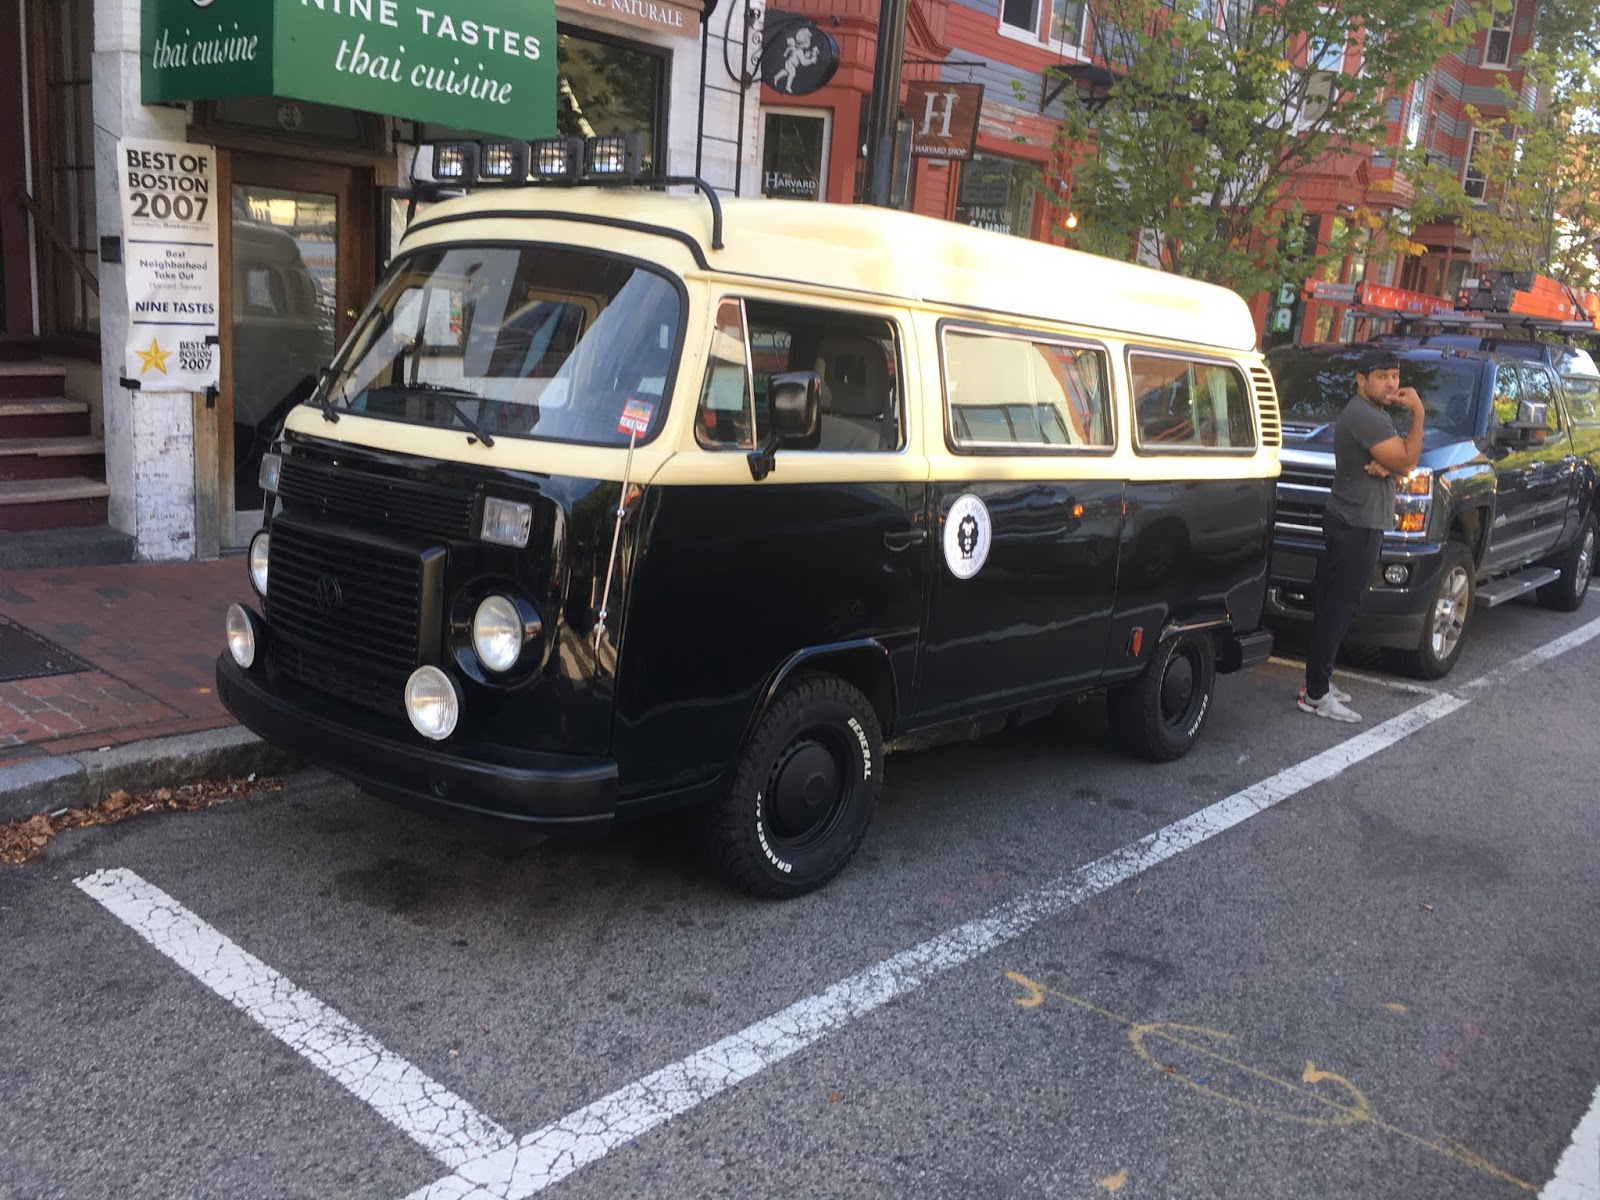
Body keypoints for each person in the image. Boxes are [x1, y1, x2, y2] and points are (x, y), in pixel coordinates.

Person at [1298, 348, 1425, 722]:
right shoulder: (1366, 416)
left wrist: (1392, 467)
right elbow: (1407, 460)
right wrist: (1418, 413)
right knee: (1339, 609)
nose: (1391, 383)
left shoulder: (1375, 416)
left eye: (1395, 376)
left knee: (1335, 605)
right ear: (1361, 380)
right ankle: (1316, 694)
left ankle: (1317, 682)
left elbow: (1399, 461)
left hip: (1355, 519)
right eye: (1382, 375)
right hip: (1356, 524)